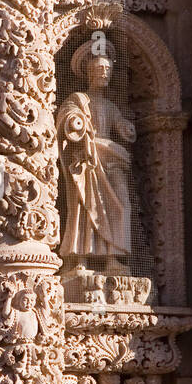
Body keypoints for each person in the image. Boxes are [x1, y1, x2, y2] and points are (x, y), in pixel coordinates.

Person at [57, 38, 135, 268]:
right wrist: (75, 121)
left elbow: (121, 125)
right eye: (100, 68)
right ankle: (80, 259)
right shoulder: (79, 99)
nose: (105, 73)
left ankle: (113, 258)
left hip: (110, 159)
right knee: (85, 208)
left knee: (121, 205)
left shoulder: (110, 105)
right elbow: (68, 117)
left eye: (108, 69)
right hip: (88, 159)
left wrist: (127, 128)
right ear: (89, 72)